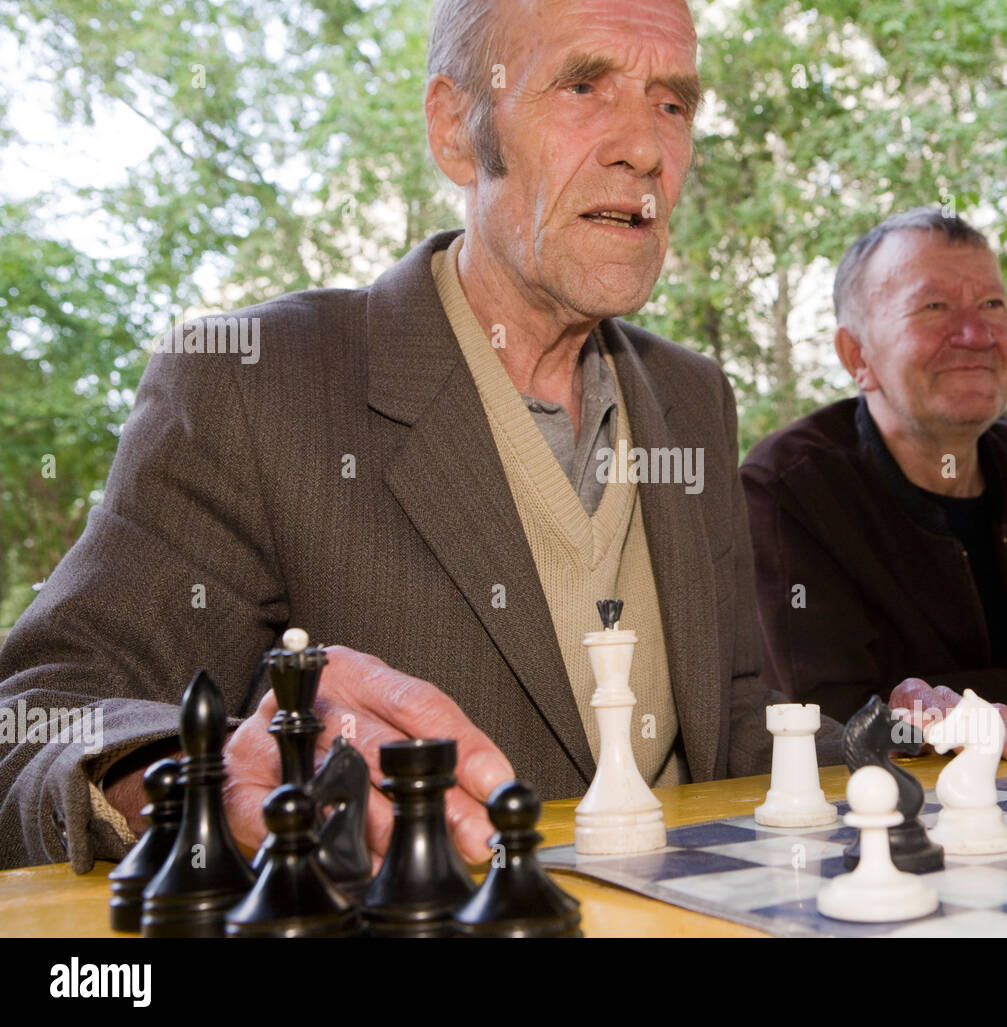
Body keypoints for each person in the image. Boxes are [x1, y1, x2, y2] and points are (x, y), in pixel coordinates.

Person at [0, 0, 773, 873]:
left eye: (672, 101)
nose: (644, 147)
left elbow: (741, 720)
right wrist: (195, 779)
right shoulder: (252, 384)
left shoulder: (694, 397)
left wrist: (894, 739)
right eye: (584, 84)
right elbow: (38, 713)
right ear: (454, 130)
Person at [741, 208, 1007, 751]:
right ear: (857, 356)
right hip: (886, 824)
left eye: (992, 304)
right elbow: (833, 719)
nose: (975, 334)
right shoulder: (789, 492)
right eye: (934, 306)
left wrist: (933, 703)